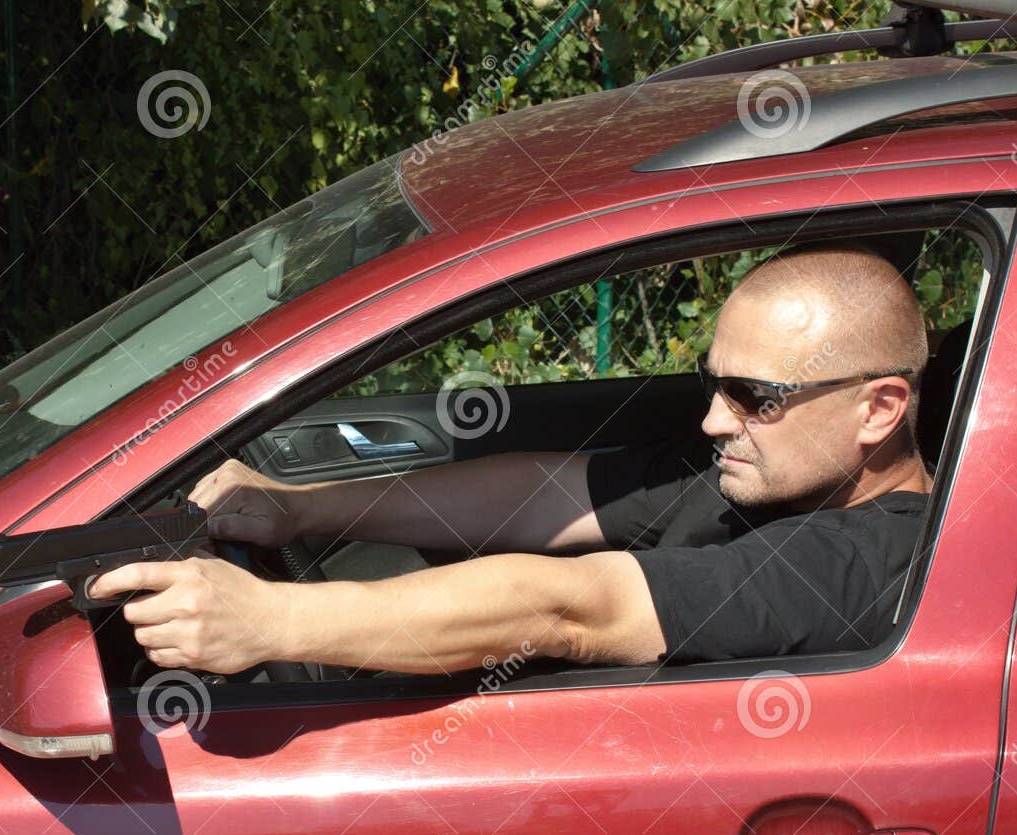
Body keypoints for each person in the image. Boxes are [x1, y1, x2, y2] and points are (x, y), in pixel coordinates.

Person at [88, 244, 933, 677]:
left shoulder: (862, 563)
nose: (715, 419)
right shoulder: (766, 472)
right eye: (713, 385)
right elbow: (544, 492)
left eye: (756, 395)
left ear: (879, 408)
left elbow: (571, 607)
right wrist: (299, 506)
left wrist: (270, 622)